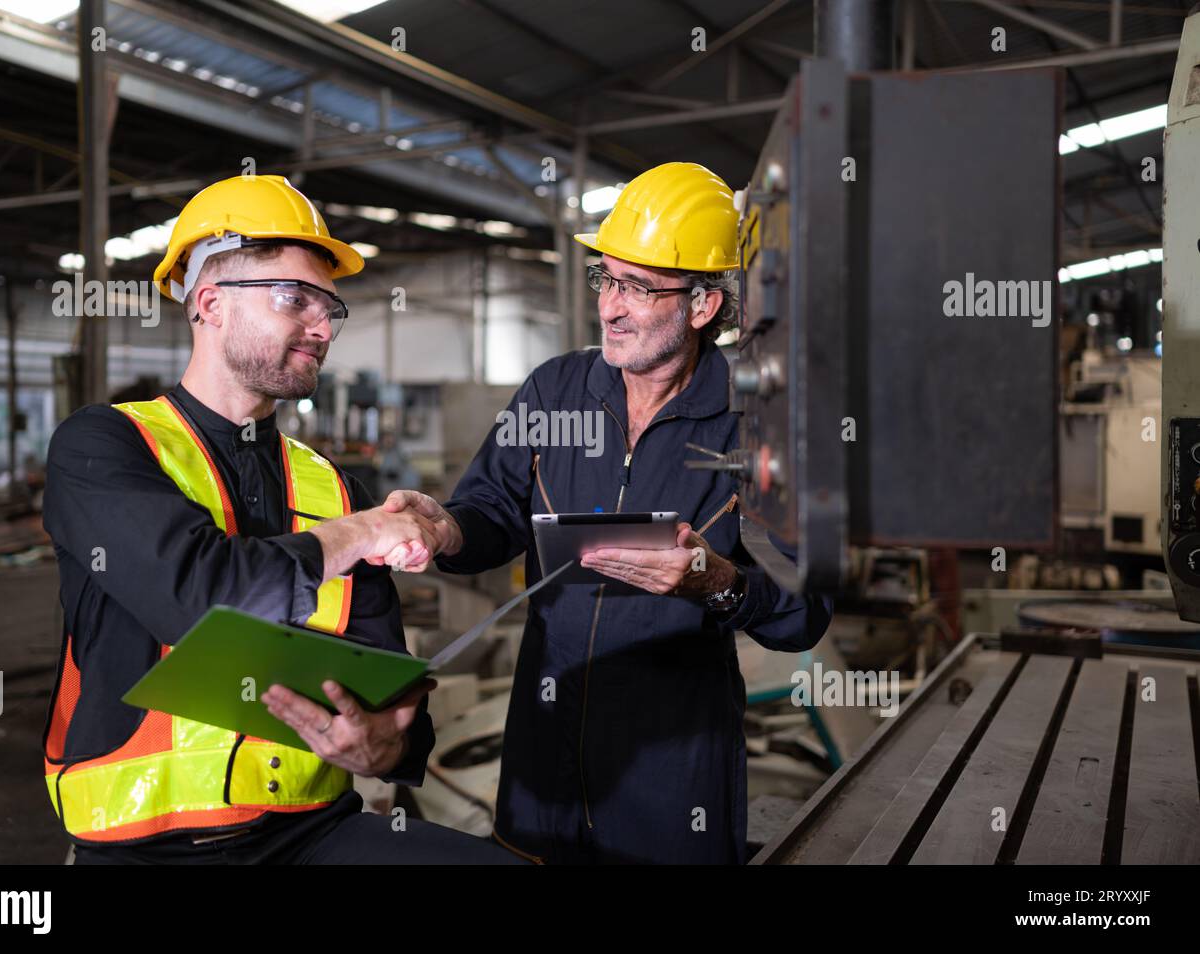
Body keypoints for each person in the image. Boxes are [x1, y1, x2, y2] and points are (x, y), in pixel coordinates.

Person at [41, 174, 520, 864]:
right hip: (142, 848)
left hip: (312, 831)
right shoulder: (102, 447)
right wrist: (360, 535)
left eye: (330, 307)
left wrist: (386, 744)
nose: (322, 328)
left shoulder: (332, 485)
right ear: (208, 302)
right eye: (295, 299)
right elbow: (198, 596)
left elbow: (386, 678)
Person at [384, 162, 834, 864]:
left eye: (637, 287)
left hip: (672, 770)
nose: (610, 306)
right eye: (606, 278)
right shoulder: (554, 391)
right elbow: (493, 508)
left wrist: (715, 583)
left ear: (703, 305)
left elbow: (805, 611)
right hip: (542, 749)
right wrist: (447, 527)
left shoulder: (756, 426)